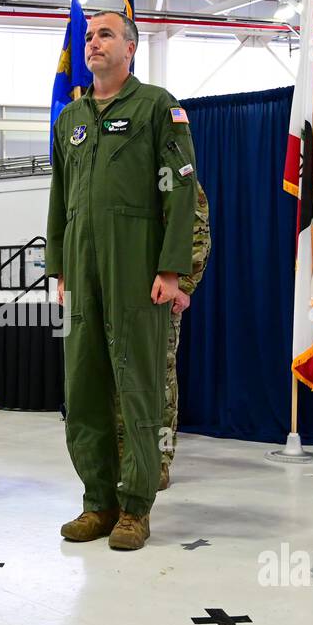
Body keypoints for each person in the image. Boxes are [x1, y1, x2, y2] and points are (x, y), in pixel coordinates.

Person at [48, 10, 198, 551]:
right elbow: (60, 196)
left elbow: (181, 190)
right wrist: (59, 266)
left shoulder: (157, 106)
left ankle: (135, 506)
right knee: (82, 385)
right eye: (89, 36)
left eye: (105, 34)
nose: (93, 43)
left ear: (130, 48)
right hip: (82, 269)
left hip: (136, 267)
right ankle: (98, 500)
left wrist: (171, 268)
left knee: (137, 388)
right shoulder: (72, 118)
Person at [115, 180, 212, 491]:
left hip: (159, 298)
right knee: (116, 381)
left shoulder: (174, 176)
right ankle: (122, 457)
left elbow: (196, 230)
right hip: (119, 294)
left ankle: (159, 460)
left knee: (161, 382)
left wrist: (183, 285)